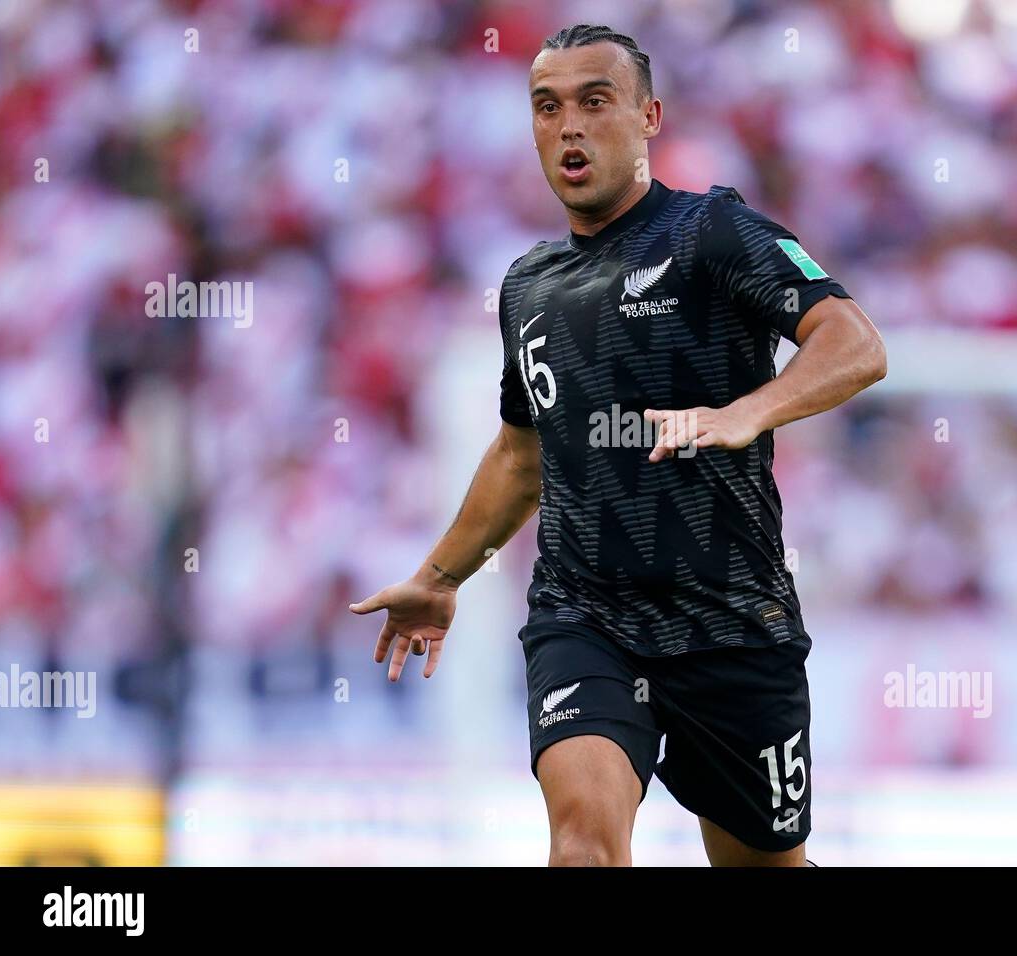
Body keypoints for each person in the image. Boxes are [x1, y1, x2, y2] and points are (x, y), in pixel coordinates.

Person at [350, 23, 886, 866]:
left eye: (595, 102)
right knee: (582, 848)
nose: (569, 125)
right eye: (547, 107)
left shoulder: (713, 230)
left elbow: (856, 344)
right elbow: (521, 455)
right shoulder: (525, 287)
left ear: (647, 117)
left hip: (731, 621)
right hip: (586, 618)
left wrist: (751, 410)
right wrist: (439, 575)